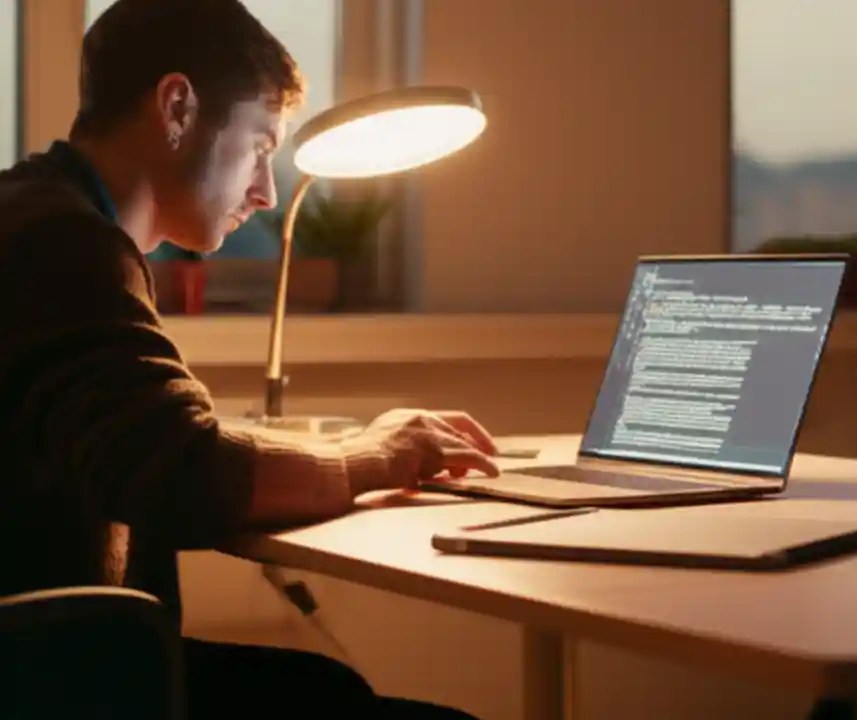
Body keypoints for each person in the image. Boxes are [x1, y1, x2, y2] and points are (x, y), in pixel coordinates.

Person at [0, 1, 499, 717]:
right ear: (177, 108)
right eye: (261, 146)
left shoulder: (29, 214)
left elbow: (133, 431)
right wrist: (370, 457)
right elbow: (182, 472)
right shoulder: (68, 243)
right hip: (49, 681)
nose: (266, 193)